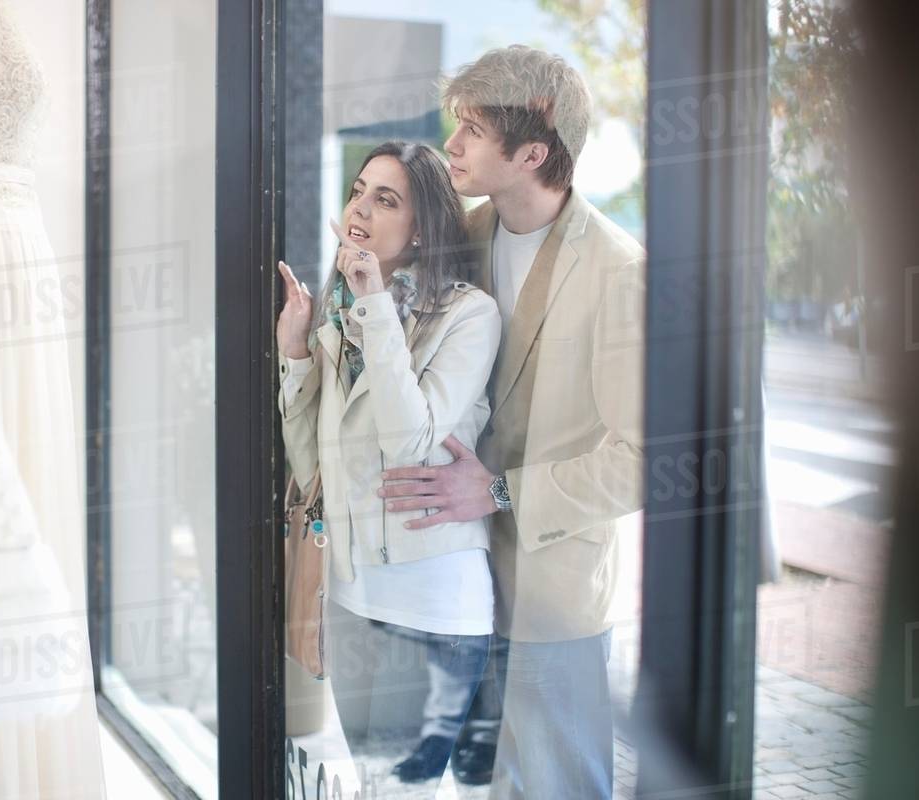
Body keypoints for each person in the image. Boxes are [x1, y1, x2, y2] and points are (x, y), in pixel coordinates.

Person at [379, 46, 647, 799]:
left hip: (552, 585)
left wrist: (497, 492)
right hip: (453, 570)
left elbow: (640, 460)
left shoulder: (621, 274)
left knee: (562, 783)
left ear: (532, 152)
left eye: (470, 130)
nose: (451, 146)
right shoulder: (455, 235)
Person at [276, 141, 500, 791]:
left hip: (435, 604)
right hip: (351, 593)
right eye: (358, 190)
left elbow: (411, 440)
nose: (361, 208)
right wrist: (295, 353)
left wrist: (374, 305)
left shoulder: (467, 315)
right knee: (373, 786)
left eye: (386, 198)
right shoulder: (341, 317)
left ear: (424, 227)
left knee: (406, 791)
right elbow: (312, 461)